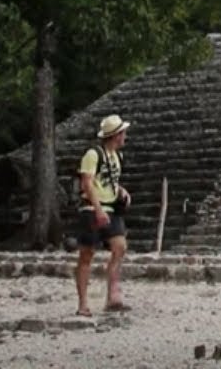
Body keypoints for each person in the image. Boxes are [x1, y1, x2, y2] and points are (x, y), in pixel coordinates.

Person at [74, 114, 133, 317]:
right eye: (123, 133)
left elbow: (107, 181)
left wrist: (121, 191)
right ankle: (83, 303)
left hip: (111, 208)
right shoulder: (93, 154)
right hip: (92, 209)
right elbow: (87, 182)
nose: (125, 136)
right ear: (116, 135)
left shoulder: (117, 156)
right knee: (86, 255)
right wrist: (98, 209)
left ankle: (112, 297)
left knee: (120, 247)